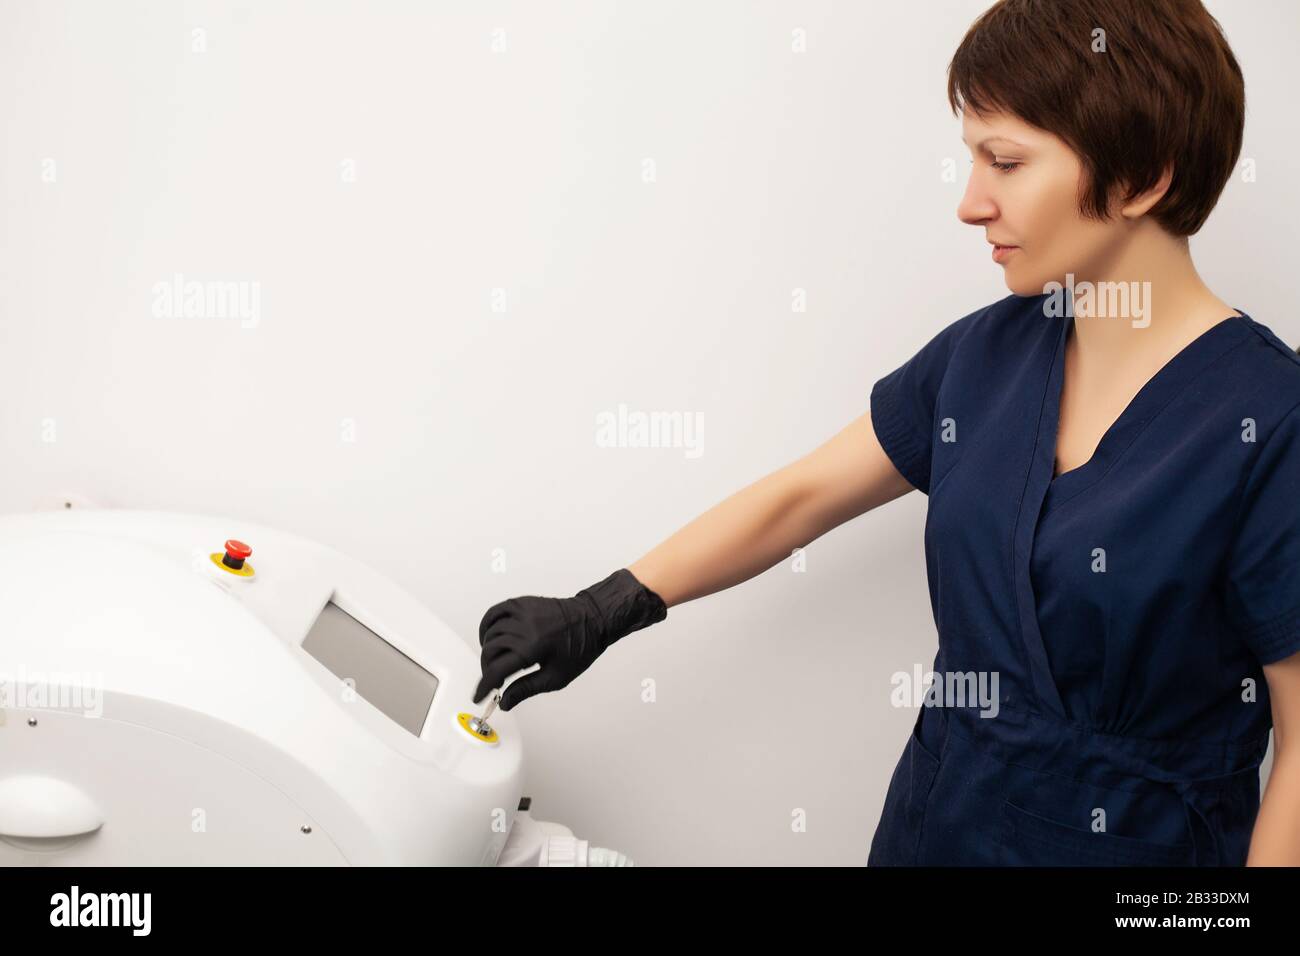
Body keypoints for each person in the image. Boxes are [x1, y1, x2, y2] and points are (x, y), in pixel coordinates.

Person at [474, 0, 1300, 866]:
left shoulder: (1267, 424)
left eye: (1006, 161)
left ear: (1142, 177)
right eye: (971, 157)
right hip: (935, 829)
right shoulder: (987, 356)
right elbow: (803, 497)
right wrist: (603, 609)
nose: (970, 203)